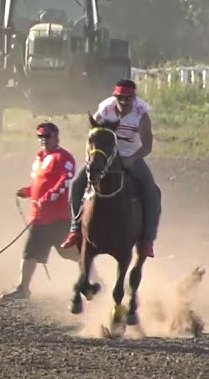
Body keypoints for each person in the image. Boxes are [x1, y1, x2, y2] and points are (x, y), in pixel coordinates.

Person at [61, 79, 162, 258]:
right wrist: (91, 156)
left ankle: (147, 240)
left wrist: (131, 159)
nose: (123, 102)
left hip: (130, 154)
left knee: (152, 191)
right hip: (103, 155)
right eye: (120, 98)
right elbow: (92, 135)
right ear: (115, 97)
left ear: (134, 98)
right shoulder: (105, 109)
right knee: (76, 184)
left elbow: (147, 145)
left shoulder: (141, 114)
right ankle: (75, 229)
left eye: (128, 98)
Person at [3, 121, 79, 300]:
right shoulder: (39, 158)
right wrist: (27, 191)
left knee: (70, 253)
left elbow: (66, 180)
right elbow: (38, 184)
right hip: (39, 217)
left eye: (47, 136)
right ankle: (23, 288)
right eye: (40, 136)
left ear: (56, 137)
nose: (44, 140)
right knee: (30, 252)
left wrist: (49, 197)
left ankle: (92, 280)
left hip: (58, 218)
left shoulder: (64, 158)